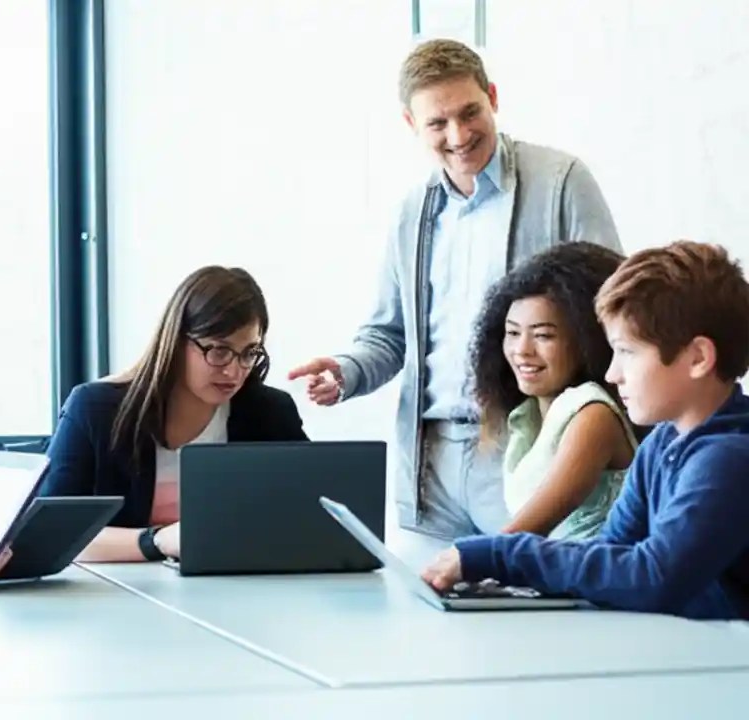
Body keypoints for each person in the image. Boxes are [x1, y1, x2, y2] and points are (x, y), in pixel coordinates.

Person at [289, 39, 622, 548]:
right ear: (411, 125)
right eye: (438, 123)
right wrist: (346, 371)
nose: (459, 135)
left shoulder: (562, 181)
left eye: (470, 112)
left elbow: (612, 307)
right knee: (426, 611)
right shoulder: (411, 212)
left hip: (523, 441)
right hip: (431, 459)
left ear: (492, 96)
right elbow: (387, 334)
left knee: (531, 607)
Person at [423, 241, 749, 620]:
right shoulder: (662, 444)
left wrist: (497, 555)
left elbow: (652, 576)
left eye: (627, 352)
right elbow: (614, 553)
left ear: (698, 358)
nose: (612, 374)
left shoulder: (729, 457)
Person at [41, 266, 307, 562]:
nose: (234, 371)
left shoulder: (269, 412)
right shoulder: (94, 409)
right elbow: (49, 534)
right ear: (177, 341)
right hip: (120, 592)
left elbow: (314, 514)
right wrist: (158, 541)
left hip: (238, 591)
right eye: (219, 350)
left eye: (248, 353)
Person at [470, 242, 636, 539]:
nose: (522, 350)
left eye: (543, 335)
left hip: (587, 583)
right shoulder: (527, 414)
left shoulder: (593, 414)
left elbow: (525, 533)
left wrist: (462, 560)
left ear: (587, 340)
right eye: (512, 333)